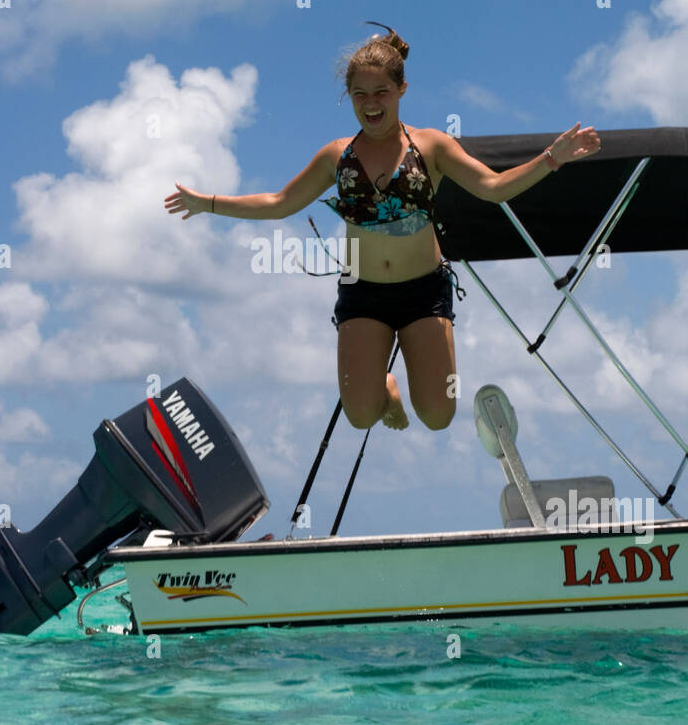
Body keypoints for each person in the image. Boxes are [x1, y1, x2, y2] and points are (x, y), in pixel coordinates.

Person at [165, 25, 601, 432]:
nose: (371, 104)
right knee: (359, 415)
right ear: (348, 96)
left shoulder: (431, 145)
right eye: (359, 95)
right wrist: (209, 203)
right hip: (364, 293)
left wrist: (552, 158)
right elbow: (280, 203)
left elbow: (493, 188)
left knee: (437, 414)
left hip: (424, 291)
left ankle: (404, 383)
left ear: (401, 90)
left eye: (381, 93)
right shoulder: (337, 156)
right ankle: (385, 388)